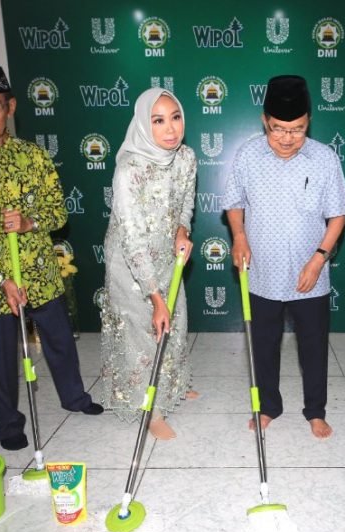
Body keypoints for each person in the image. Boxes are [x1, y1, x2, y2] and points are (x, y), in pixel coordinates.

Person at [0, 66, 103, 452]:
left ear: (9, 107)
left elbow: (58, 214)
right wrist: (1, 280)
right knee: (0, 355)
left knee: (60, 339)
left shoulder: (32, 156)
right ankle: (8, 423)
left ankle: (74, 397)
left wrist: (30, 222)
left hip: (40, 270)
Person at [223, 75, 345, 439]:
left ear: (308, 120)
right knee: (263, 344)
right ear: (265, 120)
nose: (286, 138)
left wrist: (318, 258)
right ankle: (268, 406)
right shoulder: (248, 154)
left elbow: (338, 214)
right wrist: (239, 235)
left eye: (296, 129)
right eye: (278, 129)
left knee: (313, 346)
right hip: (262, 271)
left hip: (310, 274)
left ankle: (316, 411)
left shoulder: (325, 158)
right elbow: (234, 203)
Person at [99, 88, 196, 440]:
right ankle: (150, 411)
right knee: (143, 333)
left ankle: (173, 387)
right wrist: (154, 295)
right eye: (158, 121)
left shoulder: (186, 158)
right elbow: (132, 238)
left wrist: (182, 230)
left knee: (176, 324)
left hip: (169, 257)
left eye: (175, 117)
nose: (170, 128)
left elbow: (186, 203)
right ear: (143, 124)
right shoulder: (130, 170)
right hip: (131, 262)